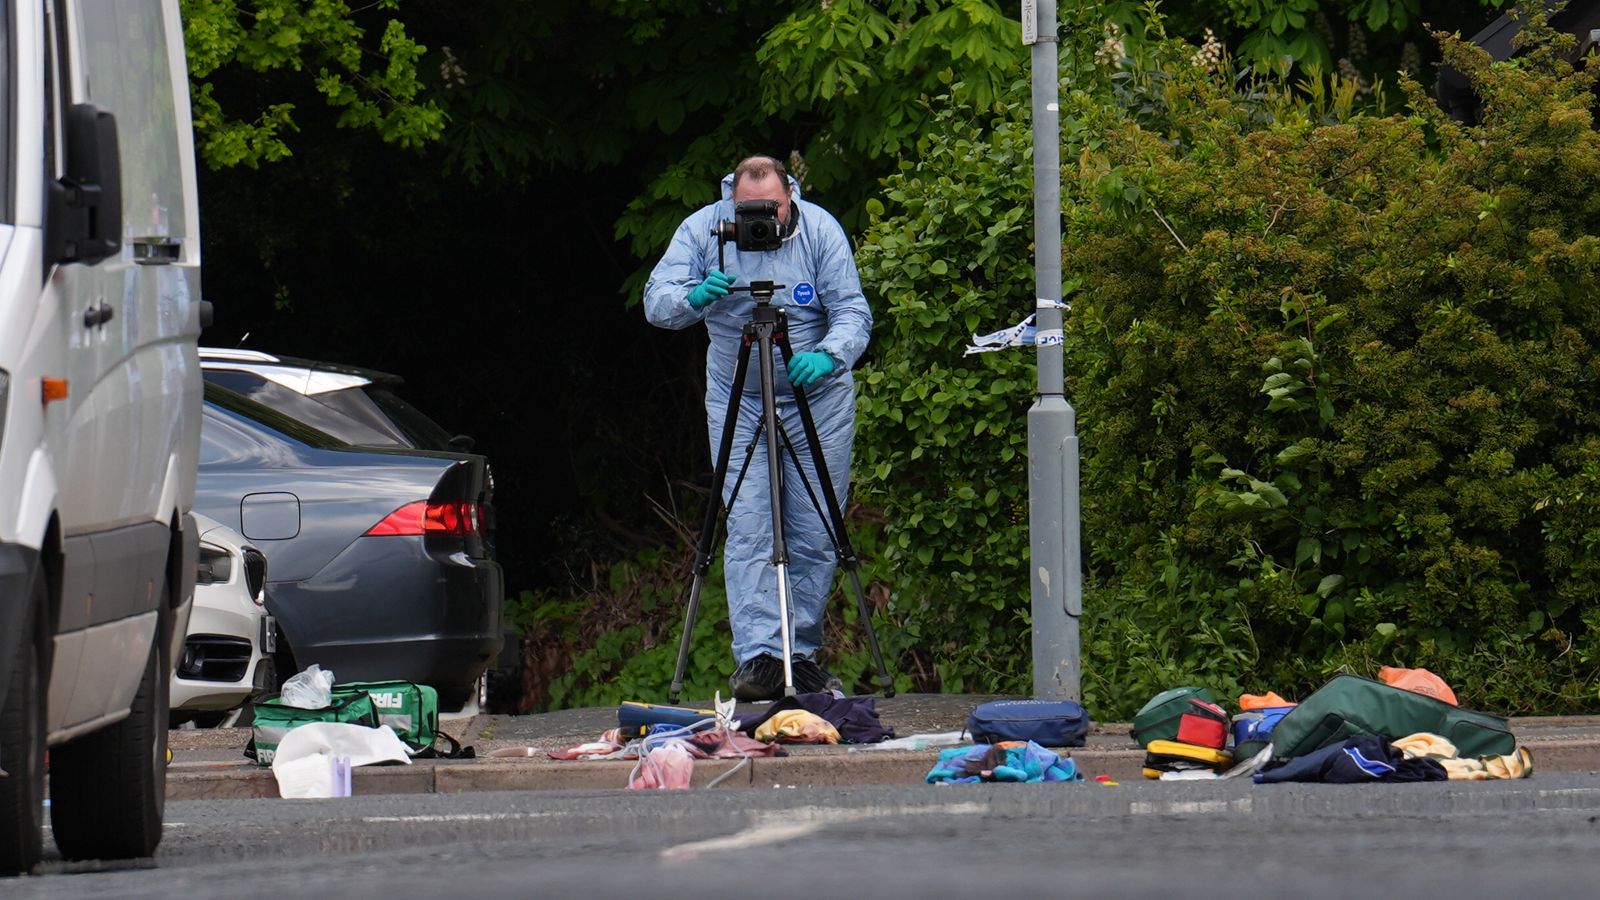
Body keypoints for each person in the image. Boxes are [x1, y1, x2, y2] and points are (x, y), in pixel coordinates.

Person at [644, 156, 873, 701]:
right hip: (737, 395)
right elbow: (656, 303)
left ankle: (803, 655)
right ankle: (761, 659)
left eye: (770, 211)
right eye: (749, 213)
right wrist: (694, 296)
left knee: (815, 527)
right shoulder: (704, 229)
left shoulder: (819, 229)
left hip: (813, 392)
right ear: (731, 203)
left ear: (790, 196)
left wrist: (830, 355)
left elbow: (853, 312)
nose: (760, 222)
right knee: (749, 526)